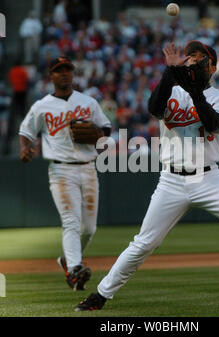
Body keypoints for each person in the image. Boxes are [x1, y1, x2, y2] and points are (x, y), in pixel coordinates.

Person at [75, 41, 219, 311]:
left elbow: (213, 123)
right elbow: (155, 108)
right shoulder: (172, 90)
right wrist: (170, 72)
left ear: (212, 66)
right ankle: (100, 295)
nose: (193, 61)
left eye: (200, 58)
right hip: (171, 180)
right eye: (190, 57)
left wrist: (194, 90)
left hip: (209, 178)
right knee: (144, 242)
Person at [19, 56, 112, 291]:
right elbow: (26, 131)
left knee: (89, 229)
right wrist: (24, 148)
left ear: (73, 73)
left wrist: (97, 133)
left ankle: (67, 260)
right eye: (58, 70)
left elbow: (106, 129)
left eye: (67, 70)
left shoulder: (88, 102)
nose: (64, 74)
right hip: (60, 170)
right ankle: (74, 270)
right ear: (51, 75)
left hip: (88, 167)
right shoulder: (42, 106)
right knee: (71, 221)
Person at [2, 59, 29, 155]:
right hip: (23, 89)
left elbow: (10, 79)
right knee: (22, 104)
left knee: (16, 104)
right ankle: (22, 114)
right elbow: (26, 78)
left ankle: (18, 112)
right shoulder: (22, 70)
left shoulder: (12, 70)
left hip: (16, 89)